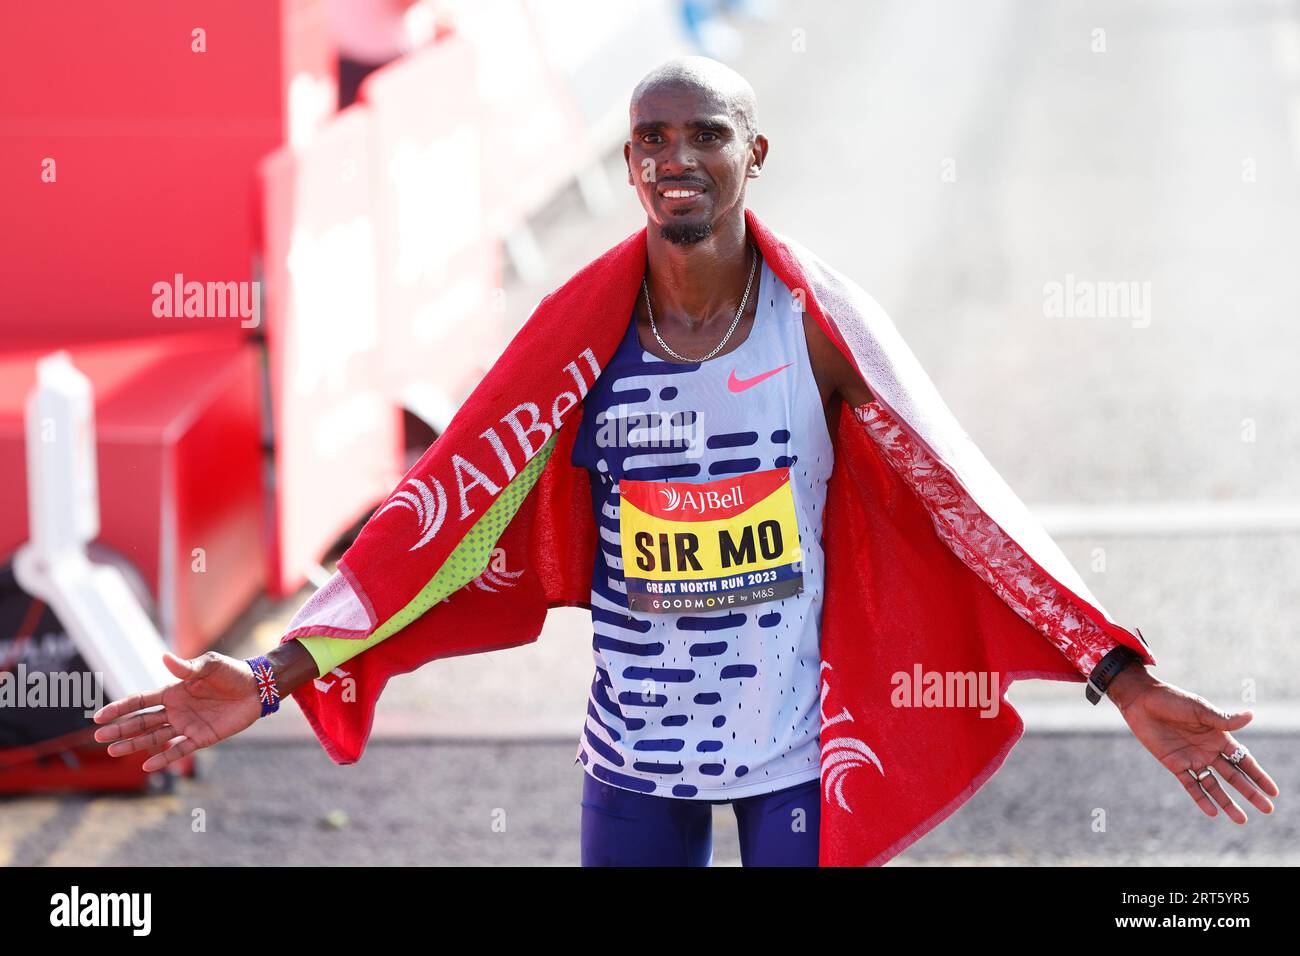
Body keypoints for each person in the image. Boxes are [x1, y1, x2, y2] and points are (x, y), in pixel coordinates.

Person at [93, 56, 1280, 867]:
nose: (676, 156)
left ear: (751, 151)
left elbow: (966, 505)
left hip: (800, 748)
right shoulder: (581, 346)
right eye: (650, 138)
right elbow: (433, 526)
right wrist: (267, 675)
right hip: (635, 754)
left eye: (703, 133)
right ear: (626, 166)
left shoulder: (817, 330)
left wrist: (1117, 676)